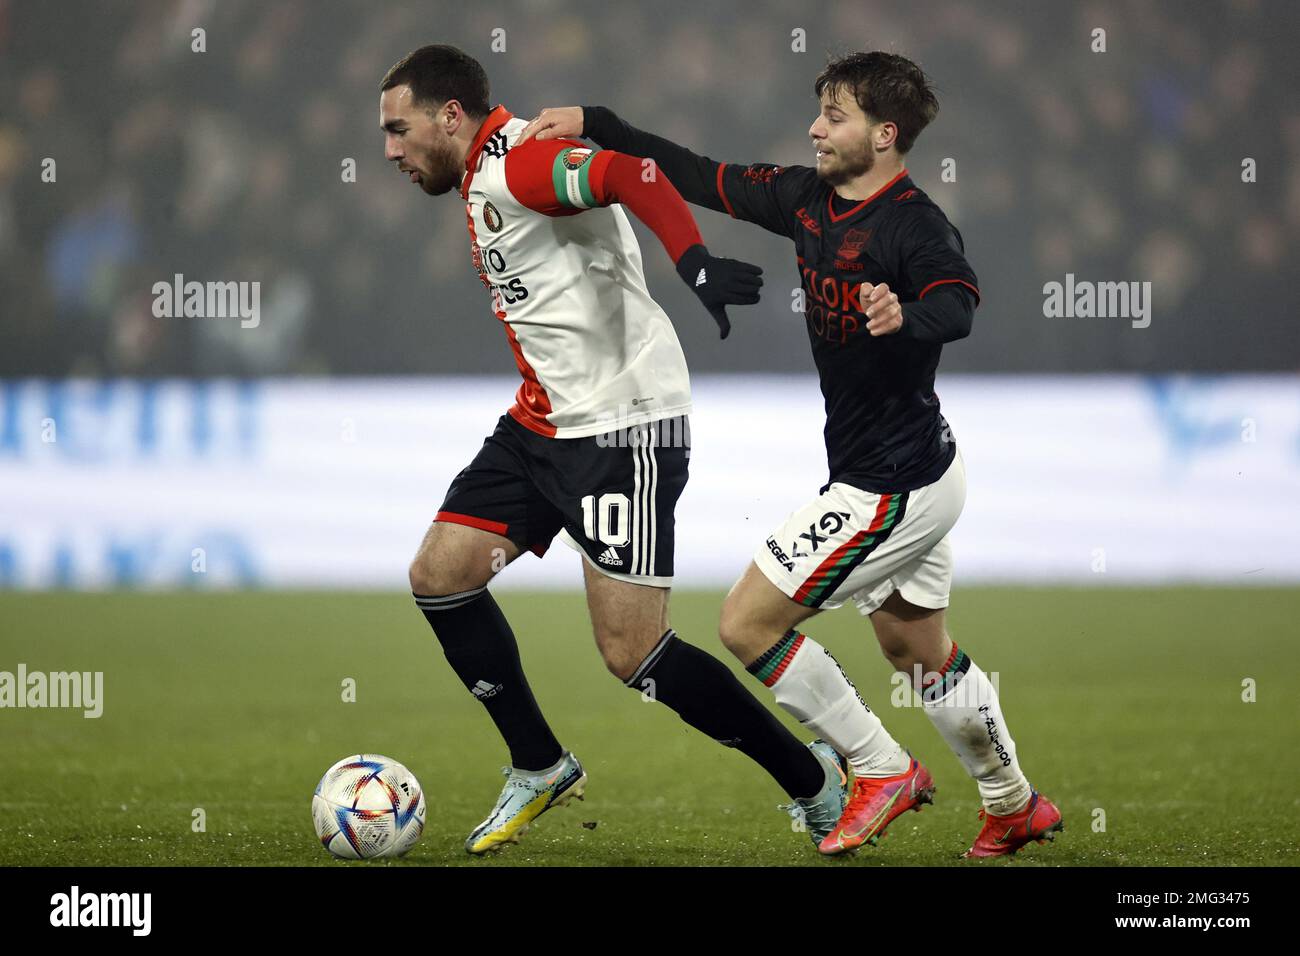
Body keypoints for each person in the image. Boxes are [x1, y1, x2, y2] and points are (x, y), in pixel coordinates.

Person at [520, 51, 1063, 858]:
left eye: (835, 116)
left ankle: (880, 769)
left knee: (746, 623)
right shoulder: (807, 200)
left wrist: (904, 317)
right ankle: (1013, 802)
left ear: (884, 135)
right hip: (909, 467)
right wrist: (598, 124)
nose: (815, 127)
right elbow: (695, 174)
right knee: (916, 649)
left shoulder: (915, 224)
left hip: (895, 485)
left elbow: (958, 303)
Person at [380, 44, 848, 855]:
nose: (388, 150)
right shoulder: (488, 170)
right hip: (543, 423)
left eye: (398, 128)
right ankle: (538, 763)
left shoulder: (520, 164)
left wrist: (694, 263)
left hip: (622, 425)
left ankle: (814, 778)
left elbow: (632, 176)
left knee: (633, 653)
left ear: (448, 116)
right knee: (440, 577)